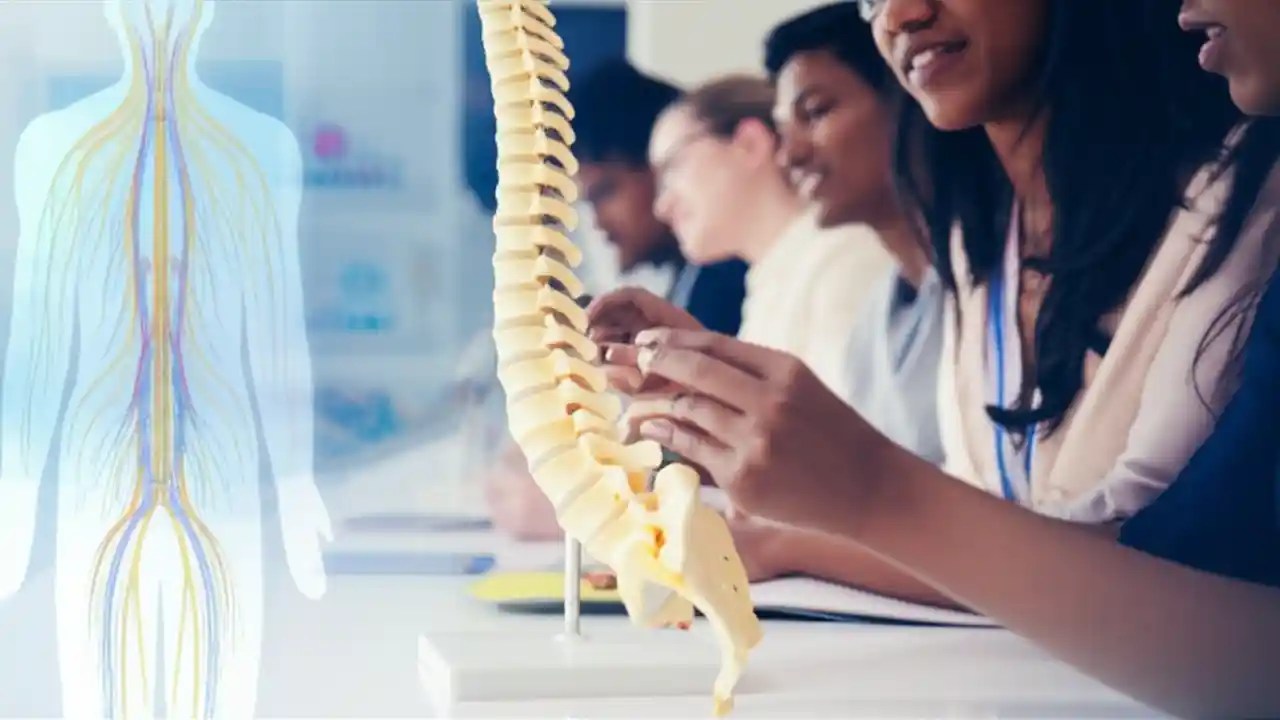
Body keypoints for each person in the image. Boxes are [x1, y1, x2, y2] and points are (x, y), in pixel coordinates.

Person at [588, 0, 1280, 716]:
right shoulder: (978, 242)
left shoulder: (1235, 197)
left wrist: (834, 507)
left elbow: (1137, 548)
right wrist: (719, 418)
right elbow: (1014, 522)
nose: (901, 14)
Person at [484, 60, 748, 540]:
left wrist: (583, 504)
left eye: (606, 191)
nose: (599, 223)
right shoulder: (690, 282)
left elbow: (710, 463)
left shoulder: (726, 283)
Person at [647, 74, 893, 399]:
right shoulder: (774, 283)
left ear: (750, 144)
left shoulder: (844, 260)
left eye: (672, 169)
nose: (663, 206)